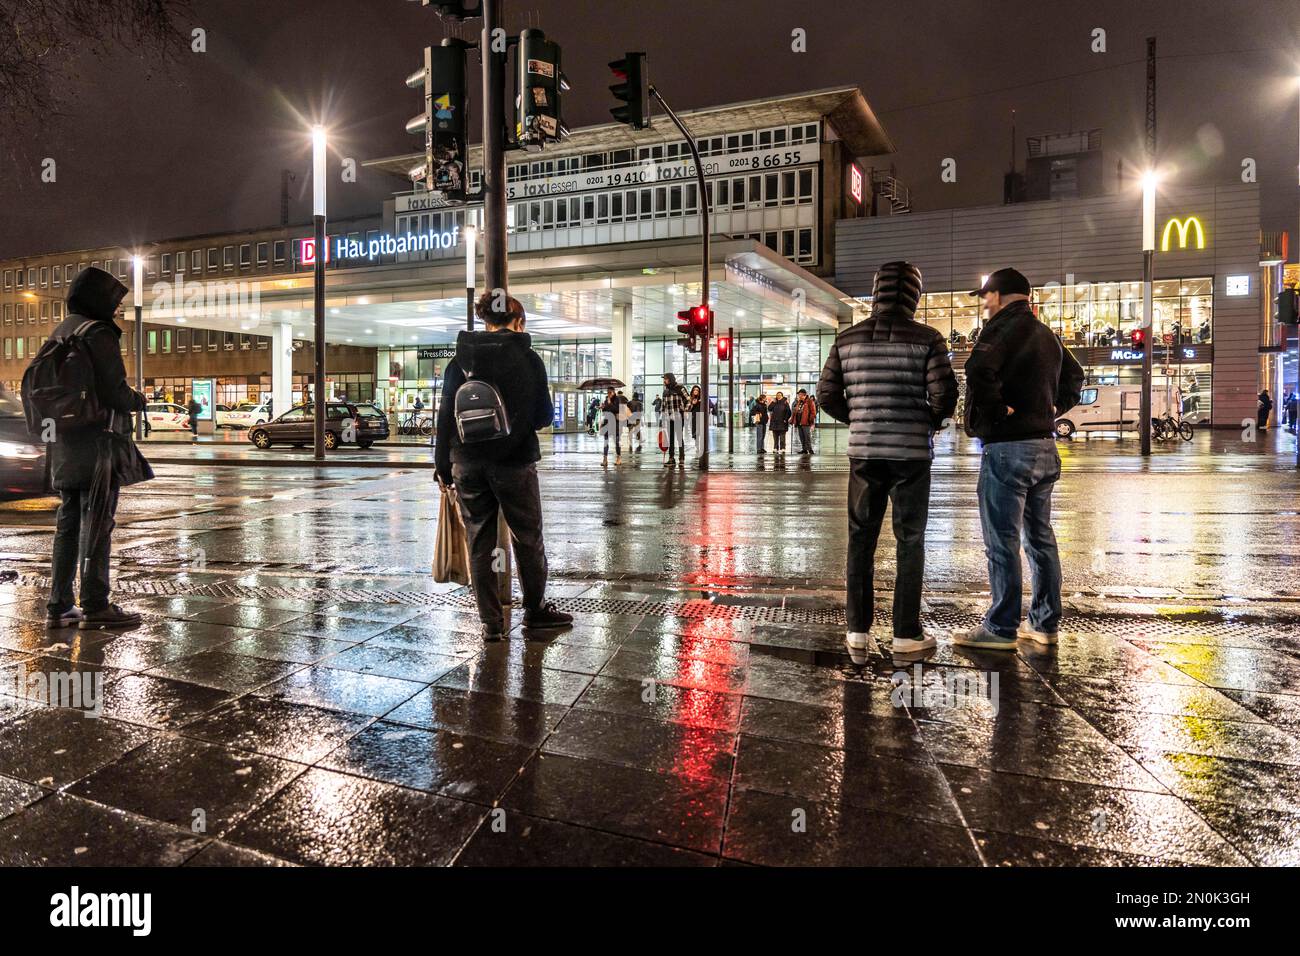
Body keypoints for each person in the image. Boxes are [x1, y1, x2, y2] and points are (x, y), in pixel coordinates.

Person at [817, 261, 958, 654]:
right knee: (909, 540)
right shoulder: (928, 338)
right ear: (914, 294)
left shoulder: (847, 339)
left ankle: (857, 630)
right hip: (911, 456)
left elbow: (827, 396)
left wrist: (861, 418)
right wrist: (925, 421)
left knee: (860, 539)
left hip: (864, 453)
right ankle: (905, 633)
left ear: (876, 292)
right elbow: (945, 395)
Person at [956, 267, 1084, 651]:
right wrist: (1048, 410)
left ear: (997, 295)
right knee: (1040, 539)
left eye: (985, 296)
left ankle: (1001, 627)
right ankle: (1044, 624)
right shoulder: (1047, 334)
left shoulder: (998, 329)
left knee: (1002, 541)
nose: (983, 303)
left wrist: (997, 413)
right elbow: (1075, 377)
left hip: (1008, 448)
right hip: (1044, 448)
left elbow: (977, 368)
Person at [435, 293, 573, 642]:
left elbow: (445, 417)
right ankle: (535, 612)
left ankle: (491, 623)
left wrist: (442, 465)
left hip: (466, 462)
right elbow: (543, 416)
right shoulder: (529, 360)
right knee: (527, 537)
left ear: (486, 321)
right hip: (514, 462)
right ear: (518, 322)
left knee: (478, 540)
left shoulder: (459, 362)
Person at [41, 267, 153, 629]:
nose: (118, 309)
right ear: (98, 300)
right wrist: (137, 399)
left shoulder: (62, 331)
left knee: (68, 523)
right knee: (99, 522)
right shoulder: (98, 333)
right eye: (115, 302)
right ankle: (95, 603)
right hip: (99, 442)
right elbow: (114, 391)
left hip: (64, 441)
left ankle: (59, 604)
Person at [660, 373, 688, 464]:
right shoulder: (665, 391)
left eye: (666, 379)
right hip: (668, 418)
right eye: (664, 379)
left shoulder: (680, 388)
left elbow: (688, 400)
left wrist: (684, 409)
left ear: (671, 379)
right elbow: (663, 405)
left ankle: (681, 458)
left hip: (679, 417)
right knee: (670, 438)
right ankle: (671, 458)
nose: (664, 381)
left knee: (679, 438)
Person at [601, 387, 623, 465]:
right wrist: (603, 408)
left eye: (610, 392)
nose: (608, 394)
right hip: (607, 422)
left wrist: (610, 403)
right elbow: (605, 411)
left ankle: (619, 458)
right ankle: (605, 460)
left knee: (616, 442)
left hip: (615, 423)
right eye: (607, 392)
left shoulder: (617, 400)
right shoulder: (606, 399)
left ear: (613, 392)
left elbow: (617, 410)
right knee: (605, 441)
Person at [791, 388, 817, 455]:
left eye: (800, 394)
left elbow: (813, 412)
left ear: (804, 395)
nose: (799, 396)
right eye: (798, 395)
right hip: (799, 422)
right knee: (801, 437)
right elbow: (796, 411)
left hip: (806, 422)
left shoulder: (810, 401)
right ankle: (804, 449)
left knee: (807, 437)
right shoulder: (799, 402)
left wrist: (810, 420)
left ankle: (810, 449)